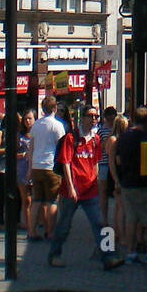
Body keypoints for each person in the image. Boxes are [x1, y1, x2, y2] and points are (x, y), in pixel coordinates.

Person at [49, 106, 124, 270]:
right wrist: (70, 187)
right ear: (81, 118)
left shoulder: (96, 139)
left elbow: (96, 163)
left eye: (96, 116)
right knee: (64, 225)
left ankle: (109, 257)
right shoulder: (71, 138)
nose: (94, 119)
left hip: (90, 190)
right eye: (90, 116)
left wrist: (96, 183)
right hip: (72, 191)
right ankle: (54, 254)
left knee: (100, 223)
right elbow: (66, 163)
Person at [115, 106, 147, 263]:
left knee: (131, 219)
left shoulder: (123, 137)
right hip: (143, 183)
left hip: (127, 182)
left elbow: (118, 160)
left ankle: (130, 252)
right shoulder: (146, 138)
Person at [27, 97, 65, 241]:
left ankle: (31, 232)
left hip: (37, 166)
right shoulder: (57, 125)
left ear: (42, 109)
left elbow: (31, 148)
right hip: (51, 167)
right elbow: (61, 147)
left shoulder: (36, 125)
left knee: (36, 201)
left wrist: (30, 169)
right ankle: (50, 233)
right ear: (54, 108)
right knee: (52, 202)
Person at [16, 110, 35, 230]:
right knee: (26, 199)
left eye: (30, 118)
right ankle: (28, 226)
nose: (27, 121)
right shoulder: (19, 135)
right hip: (22, 168)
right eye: (25, 119)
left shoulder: (38, 133)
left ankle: (37, 223)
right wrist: (22, 155)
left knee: (37, 199)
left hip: (35, 168)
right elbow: (11, 153)